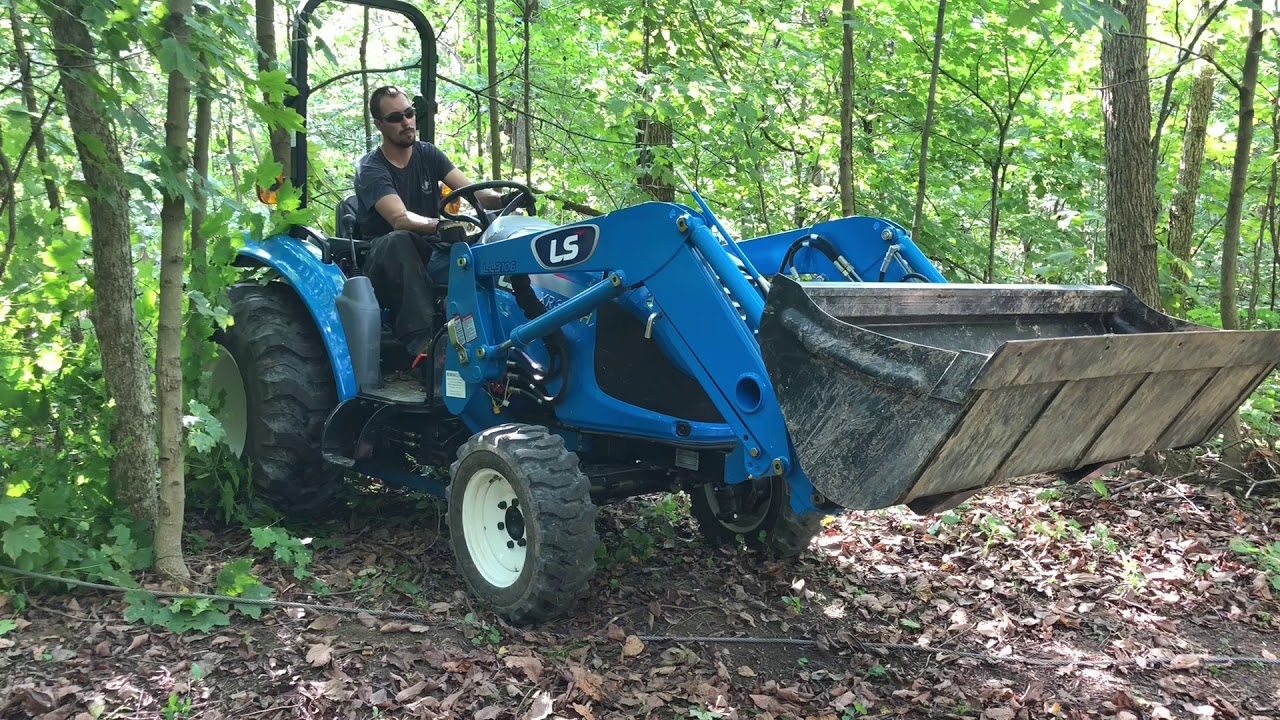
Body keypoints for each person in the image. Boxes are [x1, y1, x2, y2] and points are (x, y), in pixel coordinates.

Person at [355, 85, 504, 358]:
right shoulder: (372, 168)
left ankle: (499, 336)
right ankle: (426, 346)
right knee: (397, 241)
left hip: (430, 251)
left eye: (409, 114)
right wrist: (440, 225)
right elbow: (400, 219)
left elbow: (474, 192)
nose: (406, 122)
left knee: (480, 254)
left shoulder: (428, 154)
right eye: (395, 117)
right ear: (379, 125)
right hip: (384, 263)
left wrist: (501, 199)